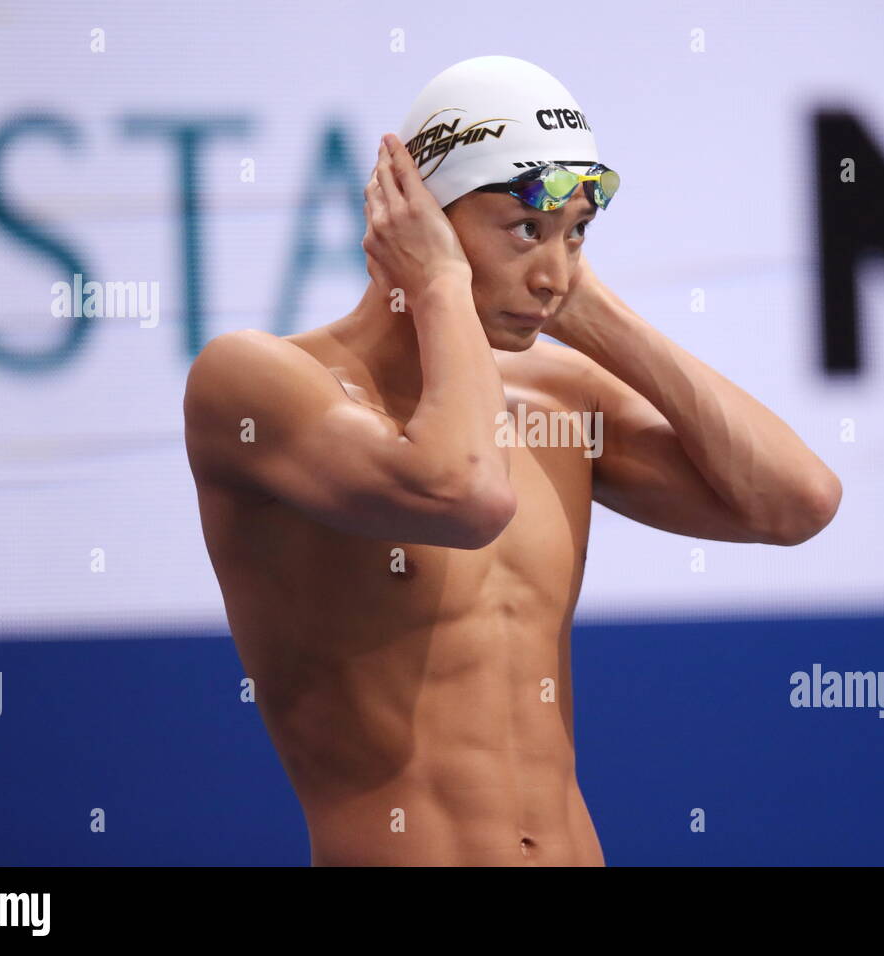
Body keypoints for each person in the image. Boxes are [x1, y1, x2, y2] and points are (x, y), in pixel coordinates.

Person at [183, 55, 841, 866]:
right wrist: (436, 290)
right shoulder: (256, 385)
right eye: (527, 229)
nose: (552, 273)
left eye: (577, 236)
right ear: (419, 215)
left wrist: (594, 316)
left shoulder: (557, 400)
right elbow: (466, 493)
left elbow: (797, 501)